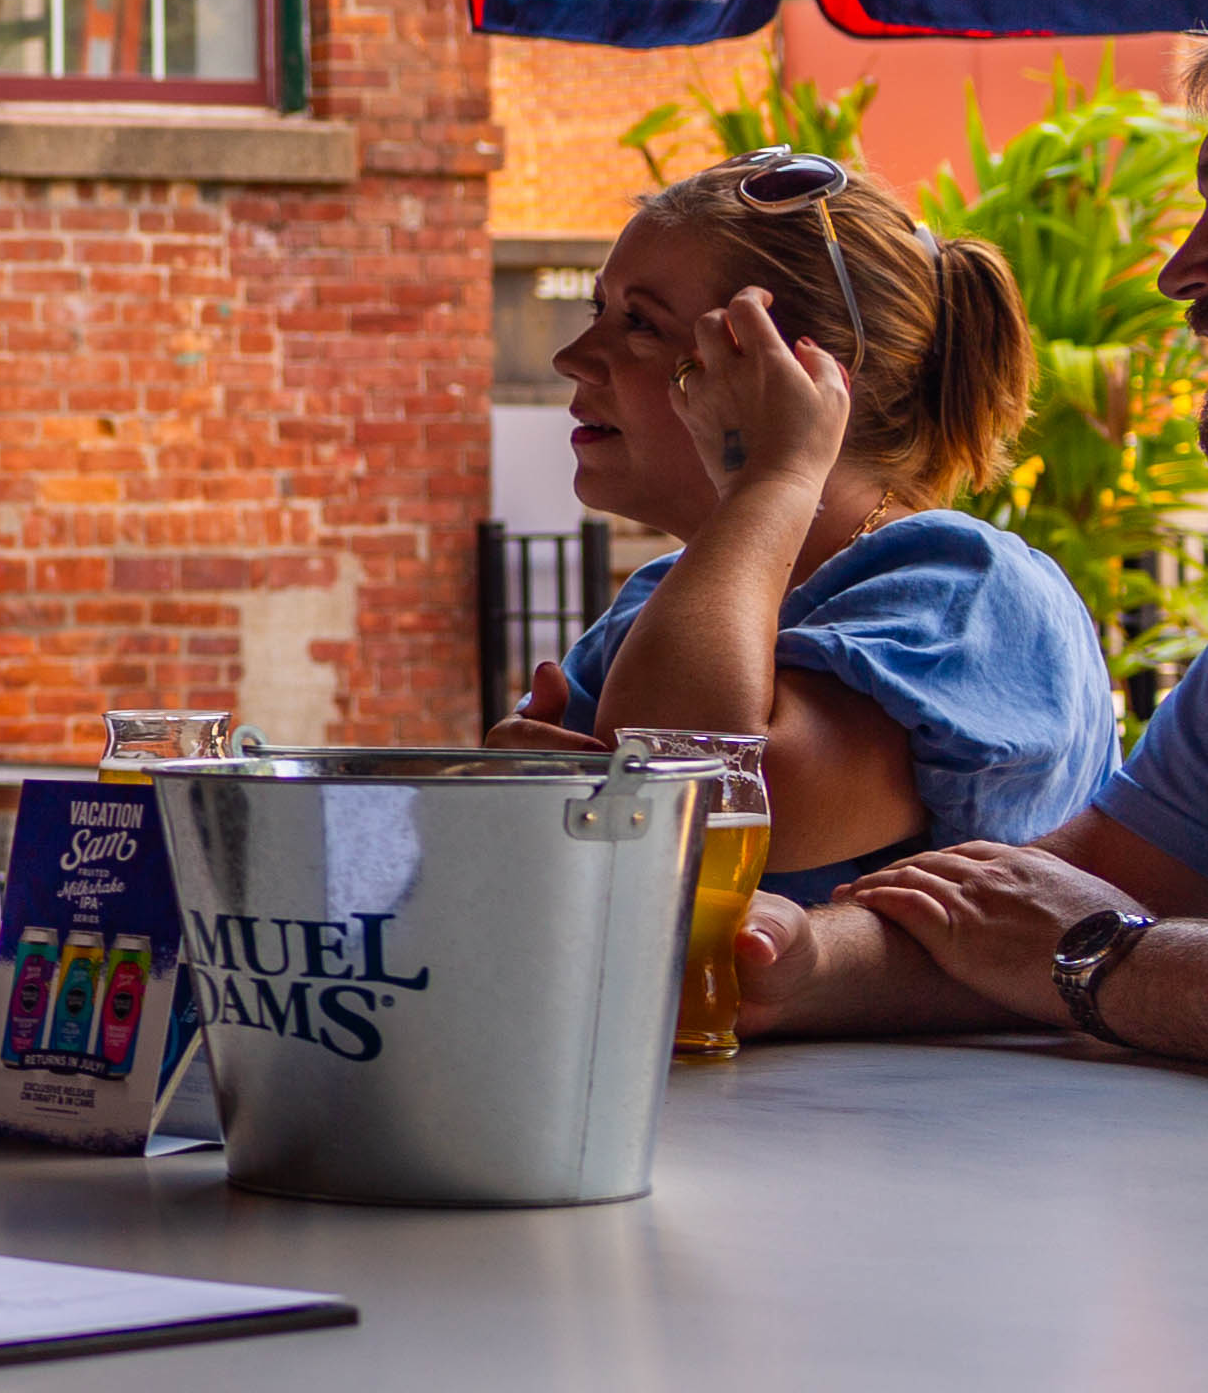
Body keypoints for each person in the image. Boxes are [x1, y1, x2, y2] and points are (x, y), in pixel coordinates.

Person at [491, 149, 1115, 903]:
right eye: (600, 312)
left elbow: (685, 808)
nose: (571, 358)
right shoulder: (663, 596)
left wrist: (773, 475)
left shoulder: (971, 593)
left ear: (792, 376)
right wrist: (508, 802)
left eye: (640, 325)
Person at [737, 98, 1208, 1062]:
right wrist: (803, 961)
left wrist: (1104, 959)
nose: (1177, 272)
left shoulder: (961, 580)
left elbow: (1077, 929)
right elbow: (1045, 905)